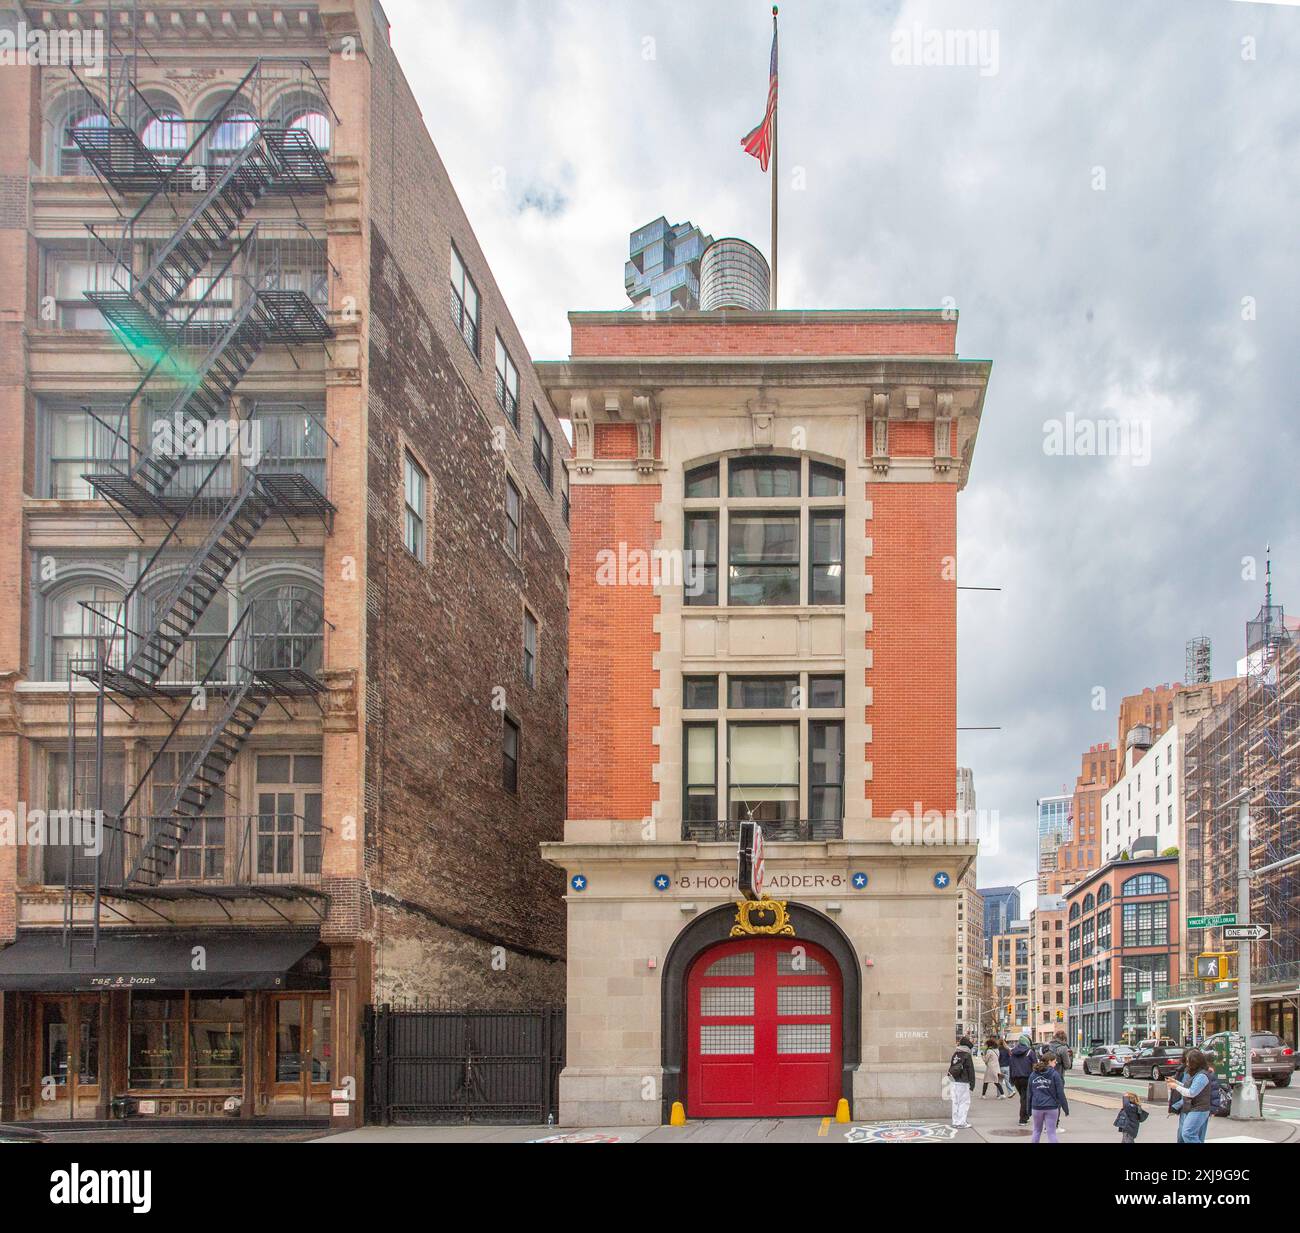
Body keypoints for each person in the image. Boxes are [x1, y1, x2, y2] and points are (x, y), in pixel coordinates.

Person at [1167, 1048, 1212, 1143]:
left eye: (1188, 1061)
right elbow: (1190, 1088)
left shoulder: (1201, 1076)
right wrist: (1176, 1083)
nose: (1187, 1064)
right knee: (1189, 1134)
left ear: (1195, 1062)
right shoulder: (1198, 1074)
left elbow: (1192, 1092)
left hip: (1199, 1108)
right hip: (1194, 1108)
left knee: (1188, 1133)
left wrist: (1175, 1086)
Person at [1028, 1053, 1069, 1142]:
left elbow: (1029, 1093)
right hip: (1051, 1107)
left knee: (1036, 1131)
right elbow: (1060, 1093)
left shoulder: (1033, 1075)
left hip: (1037, 1107)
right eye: (1054, 1062)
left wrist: (1028, 1109)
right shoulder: (1055, 1075)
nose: (1056, 1063)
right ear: (1049, 1062)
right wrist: (1065, 1108)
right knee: (1051, 1133)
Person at [947, 1036, 977, 1128]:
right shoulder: (967, 1055)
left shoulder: (955, 1053)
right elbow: (970, 1070)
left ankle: (955, 1121)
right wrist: (972, 1084)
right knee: (964, 1102)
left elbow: (951, 1066)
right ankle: (961, 1122)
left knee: (955, 1102)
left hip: (954, 1081)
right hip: (963, 1082)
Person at [1008, 1033, 1038, 1125]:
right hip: (1027, 1077)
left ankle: (1026, 1115)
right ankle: (1023, 1119)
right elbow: (1035, 1066)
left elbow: (1011, 1066)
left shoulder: (1013, 1052)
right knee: (1025, 1098)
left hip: (1016, 1078)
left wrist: (1011, 1079)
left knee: (1023, 1097)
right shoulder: (1030, 1052)